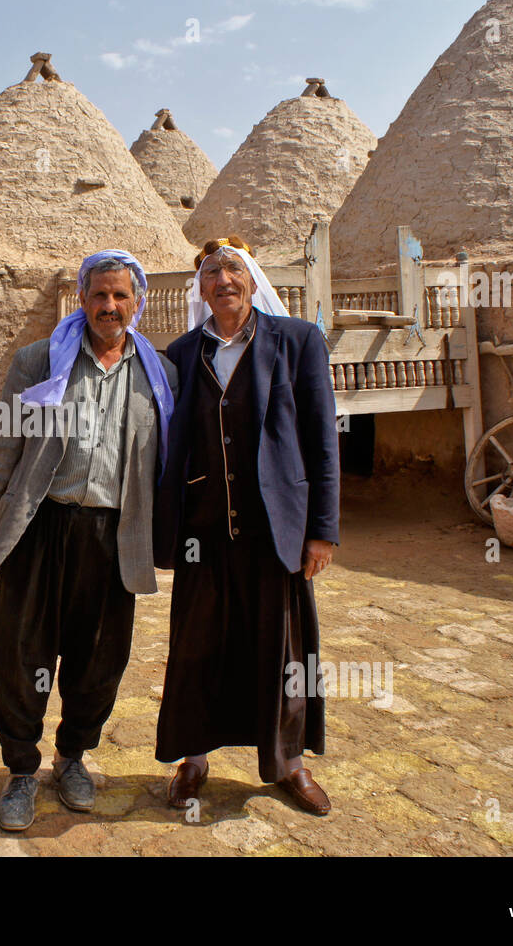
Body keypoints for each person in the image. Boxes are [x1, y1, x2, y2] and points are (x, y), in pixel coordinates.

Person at [0, 249, 177, 832]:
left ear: (136, 303)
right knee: (20, 652)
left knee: (99, 655)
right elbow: (7, 452)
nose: (109, 306)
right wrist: (2, 529)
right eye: (99, 295)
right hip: (42, 526)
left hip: (111, 533)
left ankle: (73, 758)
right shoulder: (40, 362)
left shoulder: (157, 373)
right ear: (83, 300)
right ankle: (20, 770)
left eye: (120, 296)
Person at [152, 236, 339, 815]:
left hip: (274, 530)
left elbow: (321, 436)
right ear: (201, 288)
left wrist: (322, 529)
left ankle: (287, 765)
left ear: (252, 280)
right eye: (211, 272)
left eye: (233, 269)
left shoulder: (297, 342)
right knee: (196, 648)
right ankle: (193, 758)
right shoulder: (181, 354)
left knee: (282, 650)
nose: (223, 279)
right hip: (202, 533)